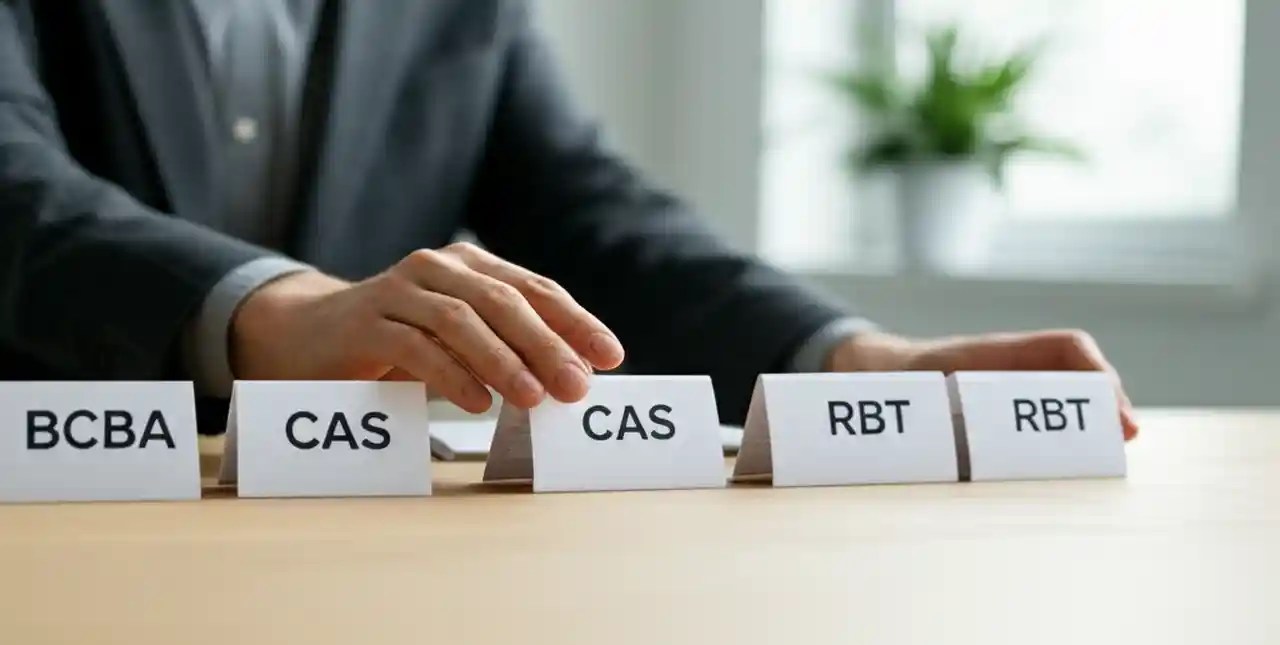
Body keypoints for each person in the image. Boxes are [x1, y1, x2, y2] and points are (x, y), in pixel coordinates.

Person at [0, 0, 1137, 439]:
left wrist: (849, 359)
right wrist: (279, 310)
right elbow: (16, 186)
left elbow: (590, 215)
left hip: (337, 545)